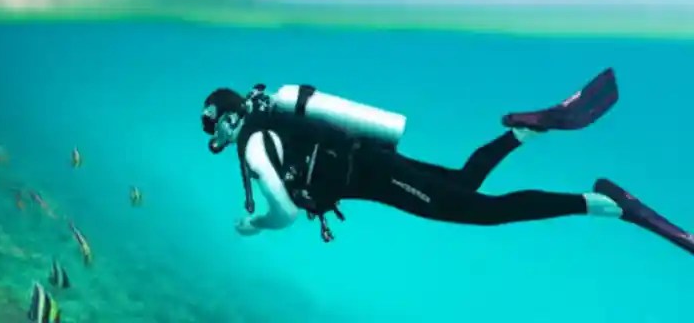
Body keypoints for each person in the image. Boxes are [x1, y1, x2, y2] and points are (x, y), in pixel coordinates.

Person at [200, 68, 693, 254]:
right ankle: (522, 133)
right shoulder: (273, 122)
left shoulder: (253, 143)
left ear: (225, 121)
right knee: (465, 181)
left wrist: (256, 224)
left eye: (211, 126)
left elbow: (284, 212)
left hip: (374, 175)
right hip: (371, 163)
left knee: (483, 210)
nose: (214, 136)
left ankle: (601, 203)